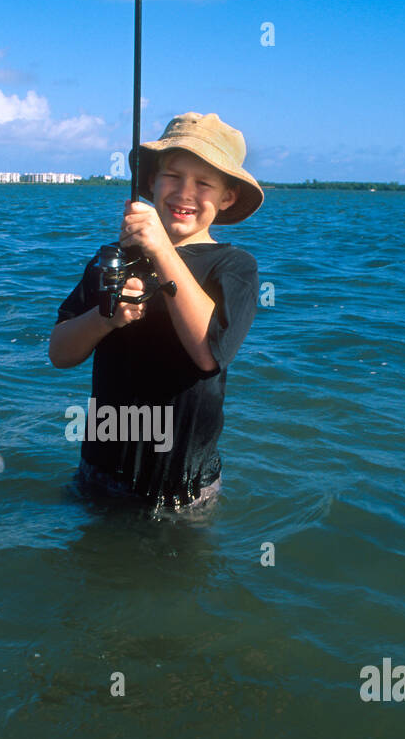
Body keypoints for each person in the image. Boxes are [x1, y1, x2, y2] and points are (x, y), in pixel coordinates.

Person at [49, 112, 262, 511]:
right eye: (173, 176)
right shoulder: (112, 259)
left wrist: (161, 249)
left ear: (227, 197)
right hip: (97, 477)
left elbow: (208, 352)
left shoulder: (234, 267)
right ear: (150, 182)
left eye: (204, 184)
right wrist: (105, 318)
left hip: (182, 492)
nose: (185, 192)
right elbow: (59, 354)